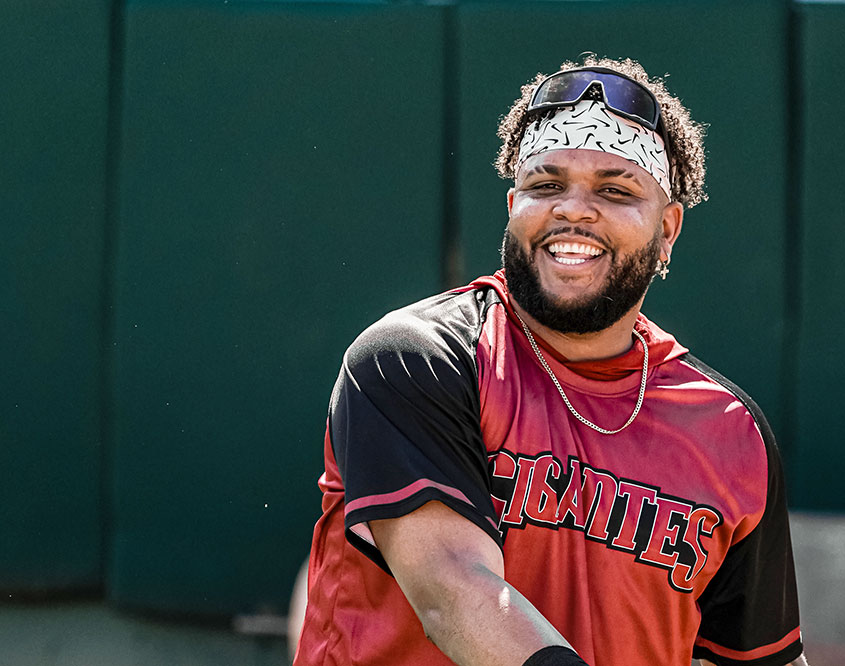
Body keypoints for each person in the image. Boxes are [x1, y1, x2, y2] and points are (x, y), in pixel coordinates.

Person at [293, 55, 808, 666]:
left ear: (668, 228)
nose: (573, 209)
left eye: (616, 191)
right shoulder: (417, 359)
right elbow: (454, 592)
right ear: (513, 204)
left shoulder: (730, 432)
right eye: (546, 185)